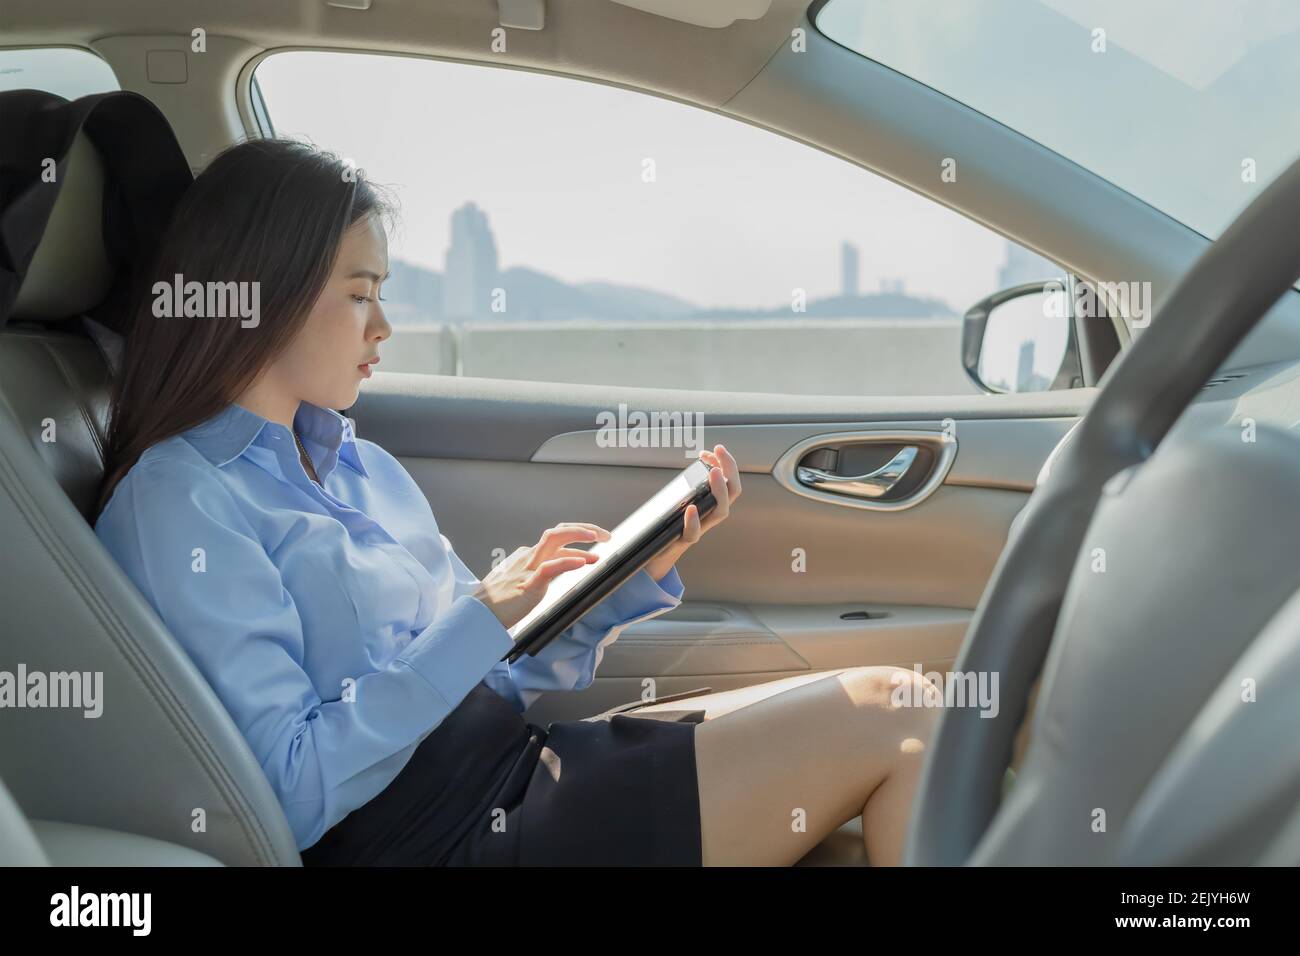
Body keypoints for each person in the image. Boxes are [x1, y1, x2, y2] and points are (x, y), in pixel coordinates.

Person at [92, 139, 940, 867]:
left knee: (909, 704)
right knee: (894, 722)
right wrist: (481, 614)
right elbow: (289, 791)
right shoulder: (181, 501)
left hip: (514, 772)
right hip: (427, 839)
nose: (382, 326)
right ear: (263, 293)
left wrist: (605, 591)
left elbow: (496, 679)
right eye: (359, 294)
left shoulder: (364, 468)